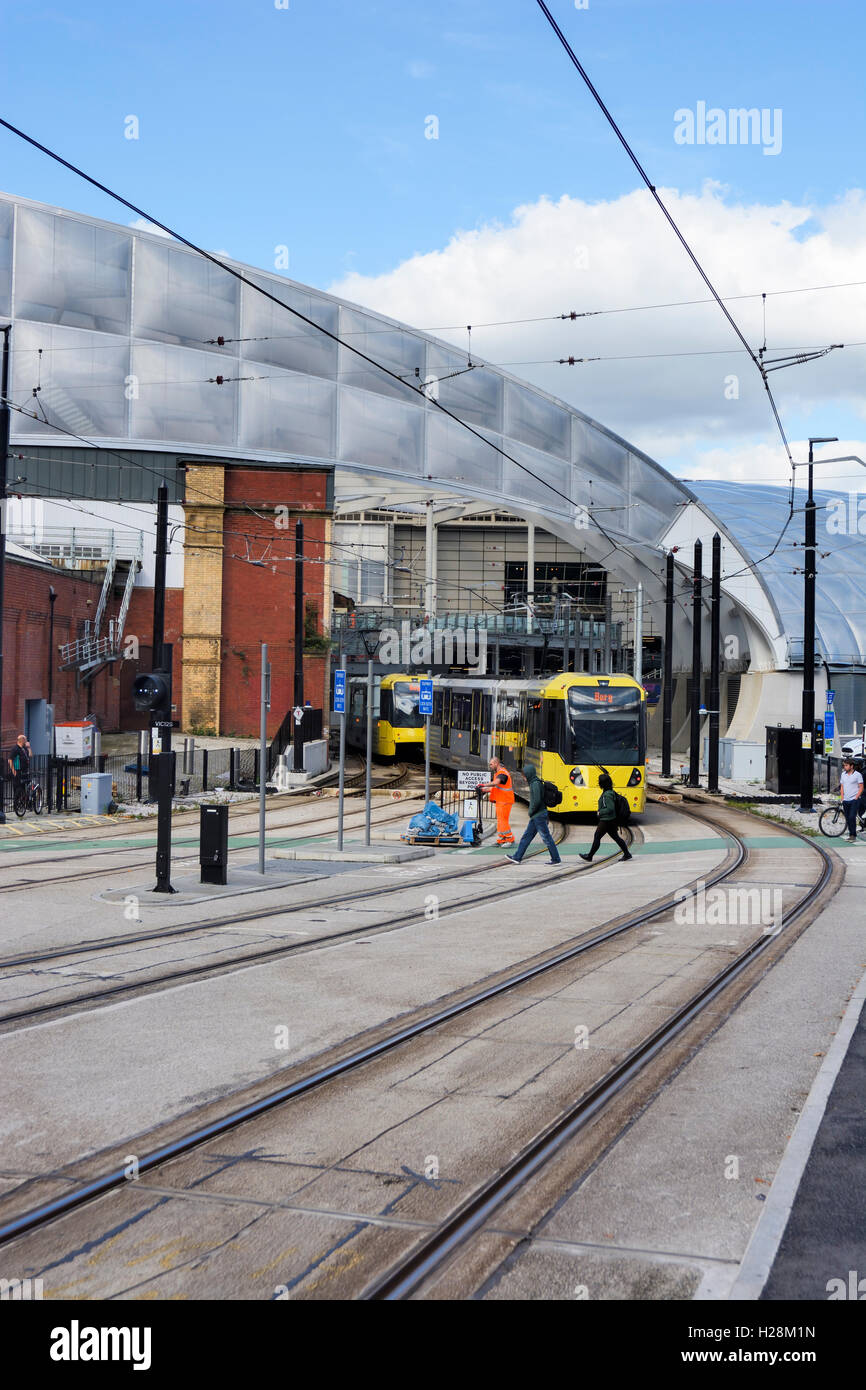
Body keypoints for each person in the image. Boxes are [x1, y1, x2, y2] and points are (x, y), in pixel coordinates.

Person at [505, 764, 562, 866]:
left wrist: (530, 811)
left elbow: (536, 801)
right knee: (527, 837)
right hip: (538, 815)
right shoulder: (535, 782)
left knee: (546, 838)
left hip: (538, 816)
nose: (524, 778)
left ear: (529, 774)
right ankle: (517, 857)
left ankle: (556, 859)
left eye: (524, 775)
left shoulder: (535, 784)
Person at [579, 771, 633, 863]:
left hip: (607, 820)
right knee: (616, 837)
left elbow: (610, 808)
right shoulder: (610, 792)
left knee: (597, 836)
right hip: (611, 820)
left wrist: (600, 812)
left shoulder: (607, 795)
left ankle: (590, 856)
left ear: (602, 783)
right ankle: (627, 854)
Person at [479, 755, 515, 847]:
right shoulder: (498, 774)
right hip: (501, 800)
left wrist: (484, 785)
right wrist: (483, 789)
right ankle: (502, 839)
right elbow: (495, 788)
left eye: (491, 764)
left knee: (503, 820)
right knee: (500, 820)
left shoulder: (502, 773)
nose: (490, 766)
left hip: (505, 800)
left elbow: (496, 783)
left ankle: (509, 839)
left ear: (496, 763)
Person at [839, 757, 864, 842]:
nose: (844, 767)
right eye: (844, 765)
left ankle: (853, 835)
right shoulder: (843, 774)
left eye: (846, 765)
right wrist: (842, 798)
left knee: (851, 817)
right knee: (847, 818)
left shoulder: (858, 775)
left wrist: (856, 797)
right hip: (846, 800)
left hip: (854, 799)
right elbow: (842, 786)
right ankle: (851, 835)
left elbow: (861, 787)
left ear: (851, 766)